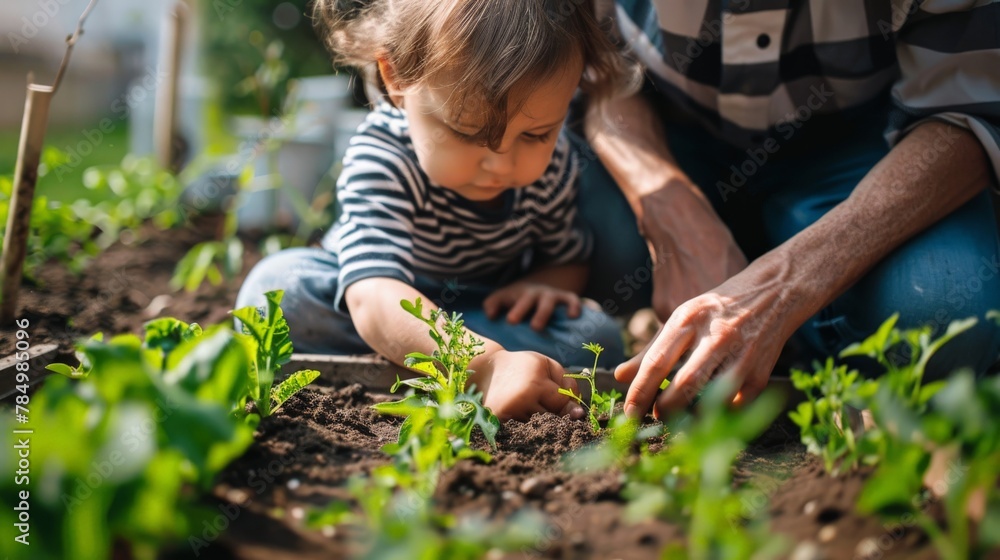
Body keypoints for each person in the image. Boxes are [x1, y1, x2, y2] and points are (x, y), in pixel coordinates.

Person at [576, 0, 1000, 420]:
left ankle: (786, 336)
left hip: (863, 148)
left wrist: (786, 286)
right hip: (668, 132)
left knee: (940, 312)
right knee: (592, 243)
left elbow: (969, 106)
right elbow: (598, 76)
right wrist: (677, 223)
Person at [235, 0, 636, 420]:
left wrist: (544, 284)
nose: (501, 163)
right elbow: (372, 295)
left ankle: (417, 365)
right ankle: (471, 368)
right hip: (378, 300)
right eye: (467, 132)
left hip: (483, 312)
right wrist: (485, 365)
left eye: (536, 134)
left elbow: (565, 255)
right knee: (276, 292)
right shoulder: (384, 156)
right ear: (397, 78)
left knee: (599, 336)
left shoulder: (554, 163)